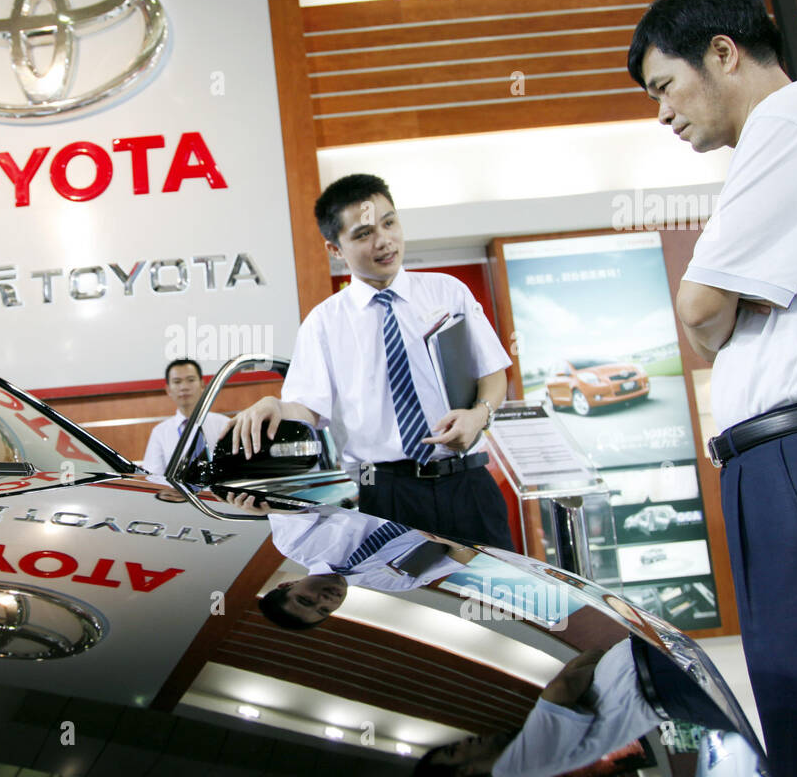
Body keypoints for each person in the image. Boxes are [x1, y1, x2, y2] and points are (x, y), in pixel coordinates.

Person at [628, 0, 797, 777]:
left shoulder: (792, 122)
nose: (663, 114)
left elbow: (698, 311)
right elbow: (712, 318)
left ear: (723, 53)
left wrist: (722, 307)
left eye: (664, 86)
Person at [227, 174, 515, 549]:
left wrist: (479, 415)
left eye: (389, 223)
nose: (383, 241)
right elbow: (308, 408)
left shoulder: (448, 292)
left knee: (494, 587)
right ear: (335, 248)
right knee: (397, 588)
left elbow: (492, 374)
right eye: (363, 234)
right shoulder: (324, 323)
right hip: (383, 491)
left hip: (468, 482)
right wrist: (276, 406)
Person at [415, 635, 742, 777]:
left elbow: (579, 670)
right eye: (454, 752)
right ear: (464, 772)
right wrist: (584, 671)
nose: (466, 741)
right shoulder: (512, 769)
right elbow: (562, 688)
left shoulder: (517, 761)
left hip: (656, 678)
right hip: (658, 683)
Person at [224, 491, 472, 629]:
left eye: (306, 599)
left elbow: (294, 504)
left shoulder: (294, 545)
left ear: (287, 585)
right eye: (324, 610)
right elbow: (463, 556)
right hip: (452, 501)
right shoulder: (396, 583)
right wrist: (452, 541)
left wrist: (267, 508)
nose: (325, 600)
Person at [139, 358, 230, 476]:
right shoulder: (160, 432)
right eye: (177, 382)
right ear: (168, 390)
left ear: (202, 385)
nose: (184, 387)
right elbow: (153, 477)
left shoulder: (224, 424)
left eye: (190, 380)